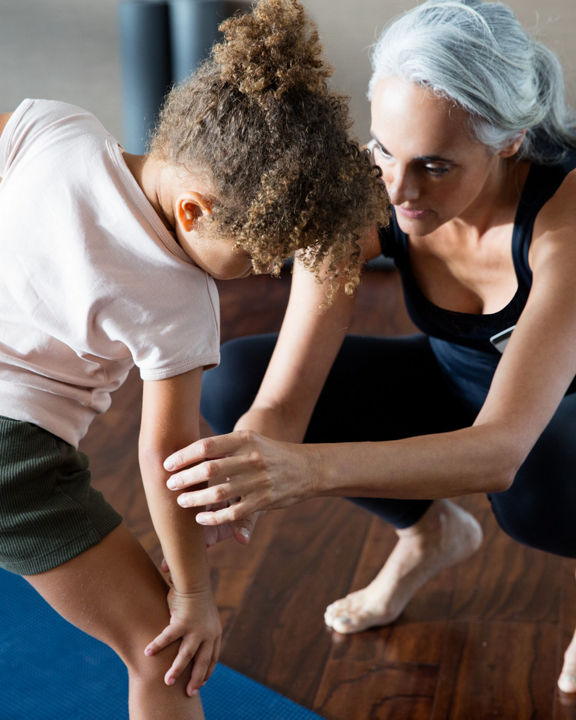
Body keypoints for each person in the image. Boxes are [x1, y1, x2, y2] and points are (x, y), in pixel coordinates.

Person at [161, 0, 576, 696]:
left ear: (509, 141)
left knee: (532, 486)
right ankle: (430, 535)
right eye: (386, 148)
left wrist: (303, 472)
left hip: (554, 421)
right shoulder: (371, 188)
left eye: (437, 166)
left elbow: (500, 450)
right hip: (460, 381)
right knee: (234, 380)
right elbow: (286, 399)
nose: (400, 191)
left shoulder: (565, 224)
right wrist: (239, 493)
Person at [0, 1, 385, 717]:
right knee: (167, 656)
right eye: (260, 255)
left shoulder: (58, 127)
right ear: (194, 213)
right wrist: (194, 593)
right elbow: (164, 450)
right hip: (13, 459)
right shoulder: (181, 300)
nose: (264, 272)